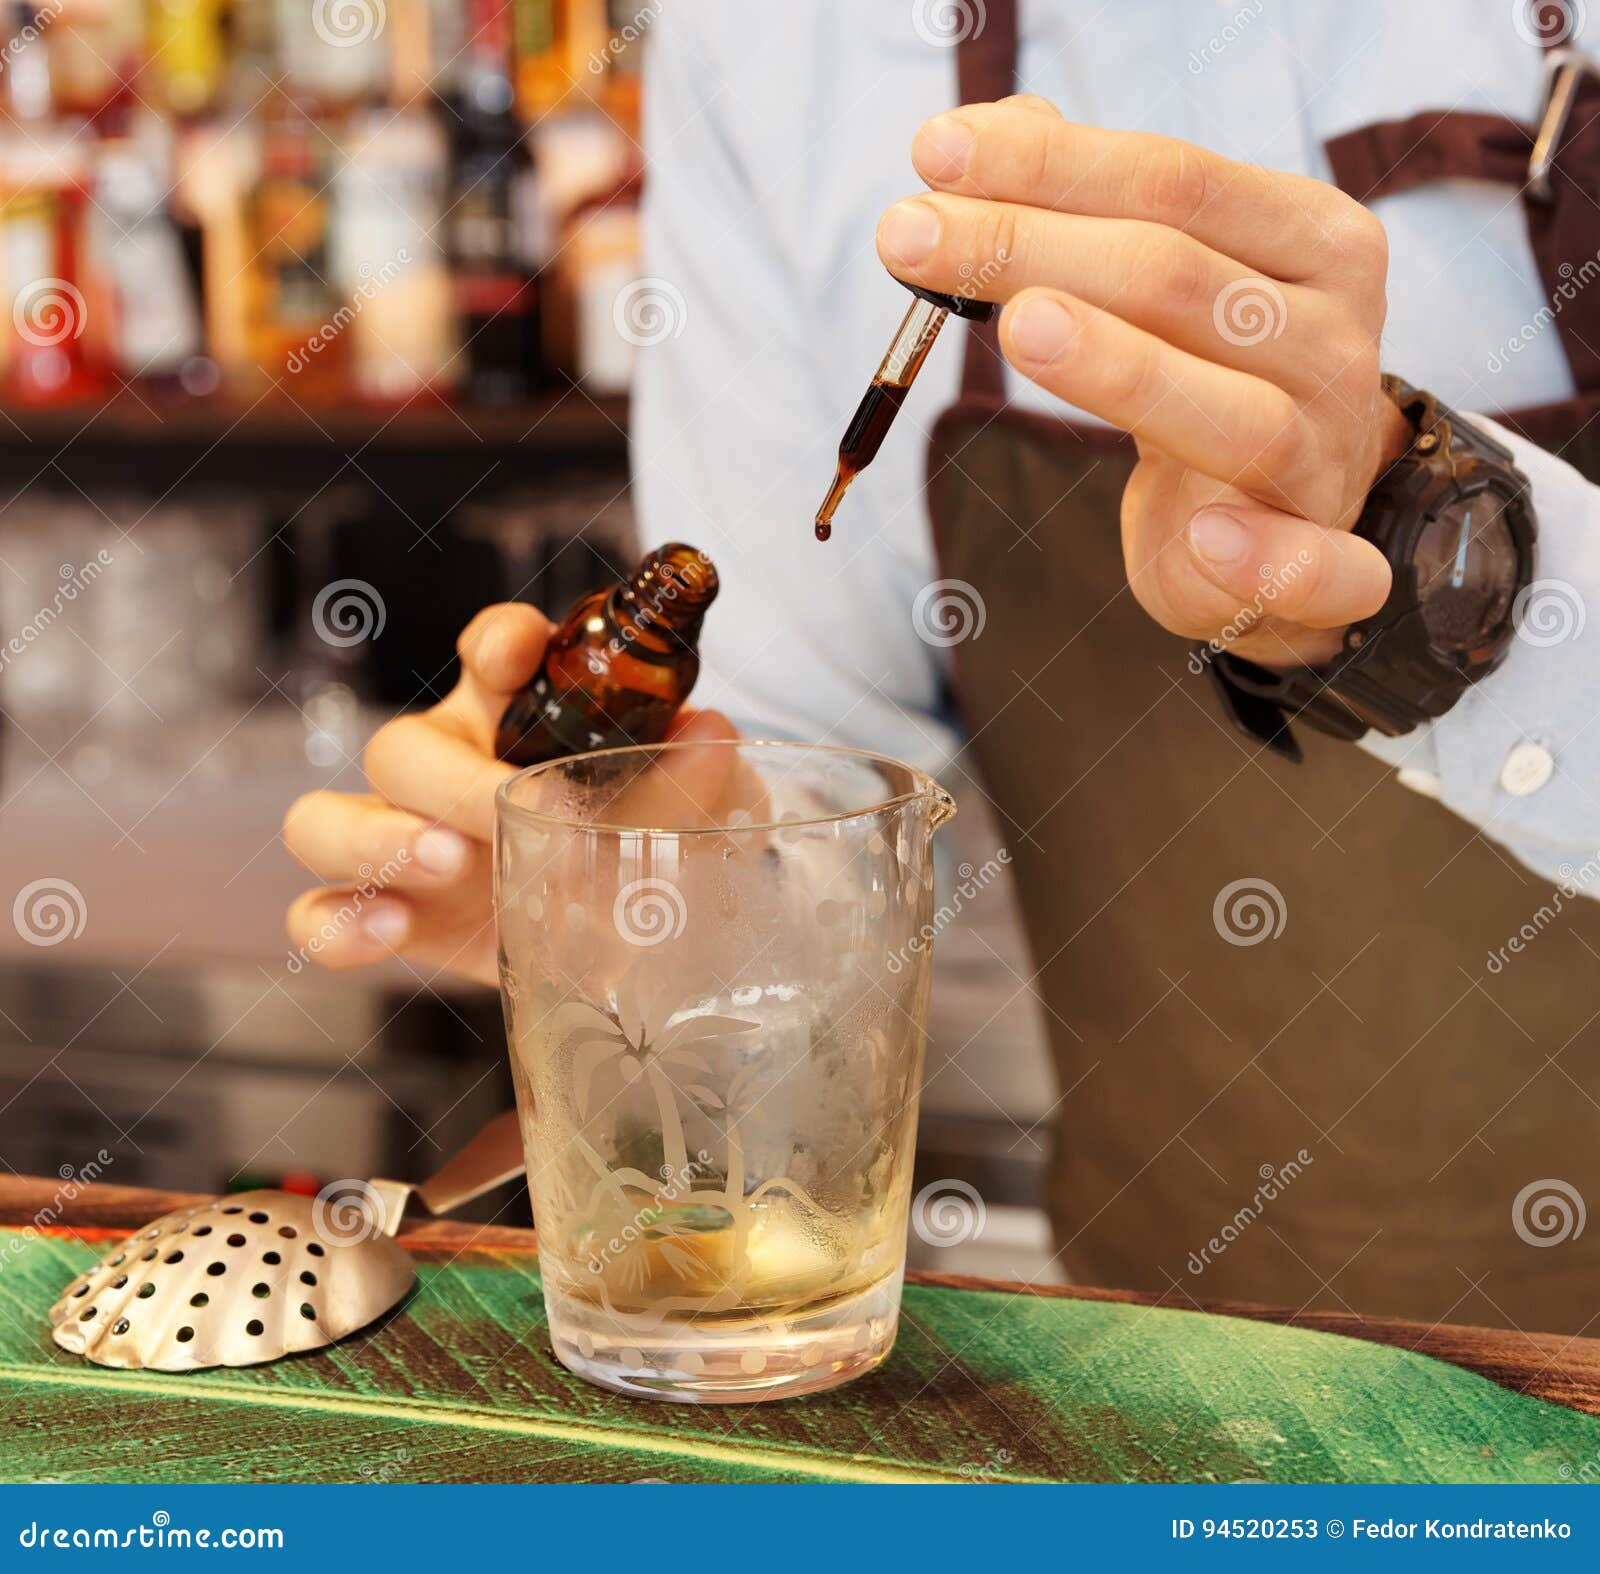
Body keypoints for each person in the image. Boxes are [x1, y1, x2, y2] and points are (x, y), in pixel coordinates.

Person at [285, 2, 1600, 1332]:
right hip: (1180, 1355)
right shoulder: (771, 39)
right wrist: (663, 902)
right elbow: (819, 818)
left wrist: (1417, 539)